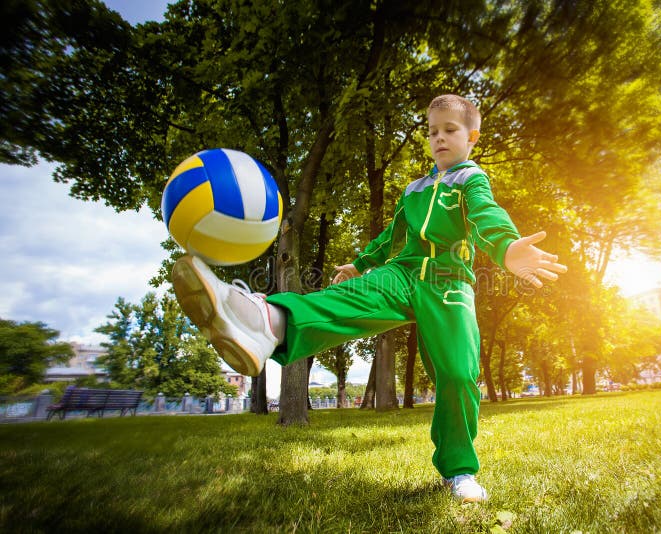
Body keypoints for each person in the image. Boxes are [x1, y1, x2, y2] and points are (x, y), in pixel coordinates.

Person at [172, 94, 567, 503]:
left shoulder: (470, 180)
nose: (440, 139)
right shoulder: (414, 189)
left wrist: (506, 248)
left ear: (472, 138)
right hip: (403, 273)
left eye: (450, 130)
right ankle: (265, 320)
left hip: (449, 286)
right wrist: (361, 265)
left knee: (459, 375)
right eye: (433, 132)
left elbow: (487, 216)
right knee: (345, 299)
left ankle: (460, 471)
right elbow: (391, 237)